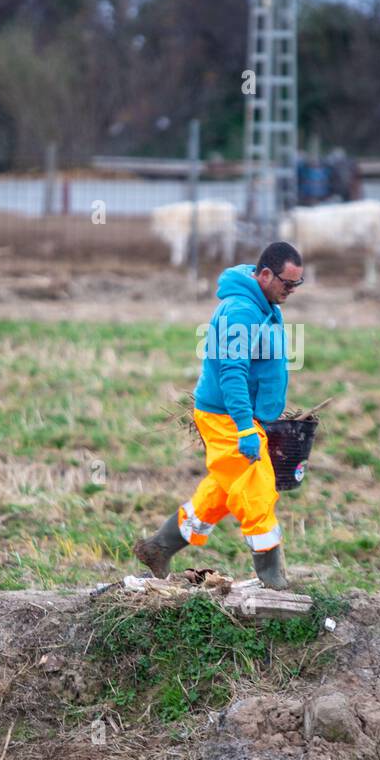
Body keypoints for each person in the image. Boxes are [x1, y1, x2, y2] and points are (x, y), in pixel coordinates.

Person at [133, 241, 303, 589]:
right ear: (266, 274)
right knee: (256, 488)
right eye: (287, 283)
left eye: (296, 285)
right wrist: (244, 428)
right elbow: (232, 373)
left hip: (244, 415)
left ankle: (158, 547)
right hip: (227, 417)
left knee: (220, 492)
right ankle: (272, 580)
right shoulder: (240, 311)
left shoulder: (265, 303)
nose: (291, 291)